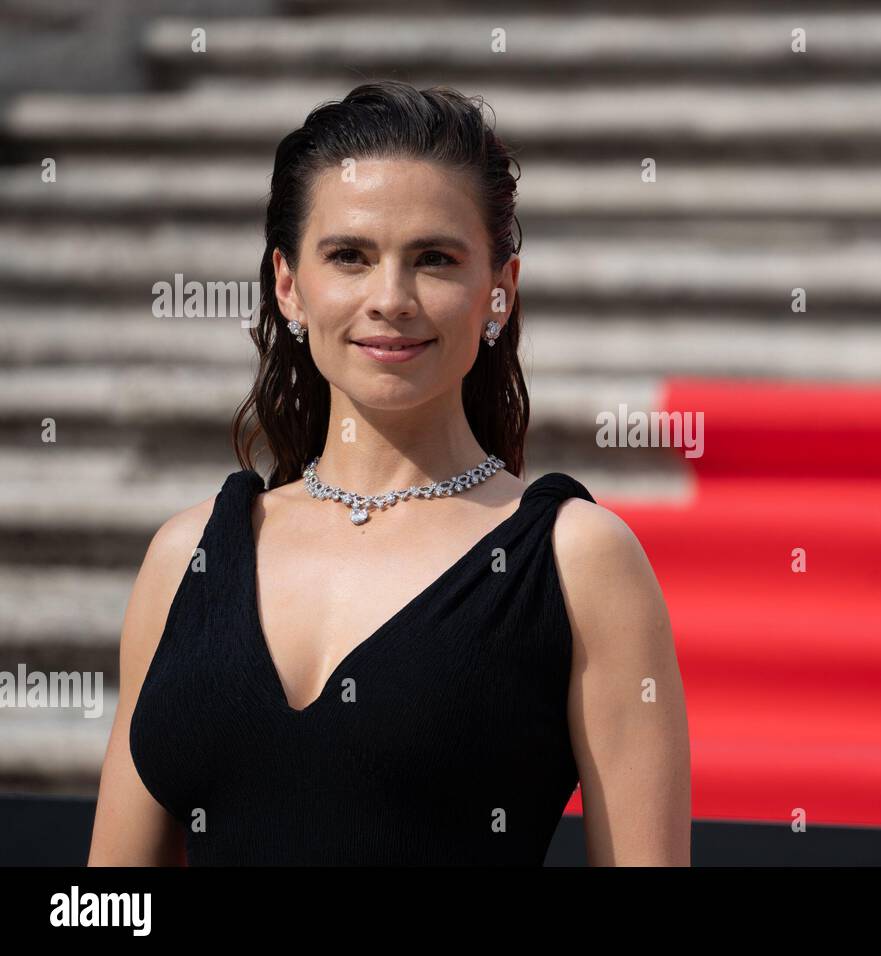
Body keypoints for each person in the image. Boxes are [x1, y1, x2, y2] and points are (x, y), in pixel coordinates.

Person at [87, 81, 690, 866]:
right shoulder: (185, 557)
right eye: (350, 257)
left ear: (499, 291)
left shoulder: (578, 560)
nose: (391, 299)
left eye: (434, 259)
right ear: (288, 285)